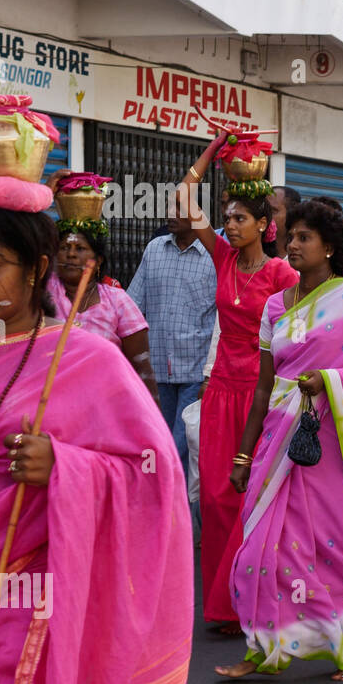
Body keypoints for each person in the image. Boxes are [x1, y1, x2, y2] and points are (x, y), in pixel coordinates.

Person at [0, 199, 192, 684]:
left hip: (26, 599)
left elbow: (153, 476)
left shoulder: (84, 360)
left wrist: (65, 468)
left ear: (36, 269)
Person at [215, 199, 343, 682]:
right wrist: (243, 454)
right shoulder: (276, 305)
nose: (291, 244)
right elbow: (263, 385)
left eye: (303, 238)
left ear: (329, 248)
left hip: (329, 440)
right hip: (278, 437)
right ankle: (265, 648)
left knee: (336, 543)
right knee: (261, 547)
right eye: (289, 235)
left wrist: (330, 382)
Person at [178, 136, 299, 634]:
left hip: (261, 396)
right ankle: (225, 603)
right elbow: (186, 200)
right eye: (226, 218)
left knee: (250, 495)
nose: (228, 225)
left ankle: (251, 598)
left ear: (264, 227)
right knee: (214, 498)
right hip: (220, 392)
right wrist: (214, 149)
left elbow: (303, 327)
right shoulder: (222, 258)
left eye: (238, 219)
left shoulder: (281, 272)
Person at [127, 184, 218, 470]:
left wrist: (211, 374)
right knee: (156, 441)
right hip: (156, 370)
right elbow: (132, 306)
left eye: (179, 207)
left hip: (194, 372)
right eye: (170, 206)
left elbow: (222, 318)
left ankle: (177, 512)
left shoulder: (215, 257)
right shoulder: (154, 249)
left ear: (198, 213)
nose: (170, 213)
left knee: (180, 448)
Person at [49, 215, 158, 401]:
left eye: (80, 249)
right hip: (52, 401)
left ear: (98, 260)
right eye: (64, 248)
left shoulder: (117, 301)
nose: (71, 255)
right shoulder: (44, 294)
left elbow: (142, 367)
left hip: (104, 402)